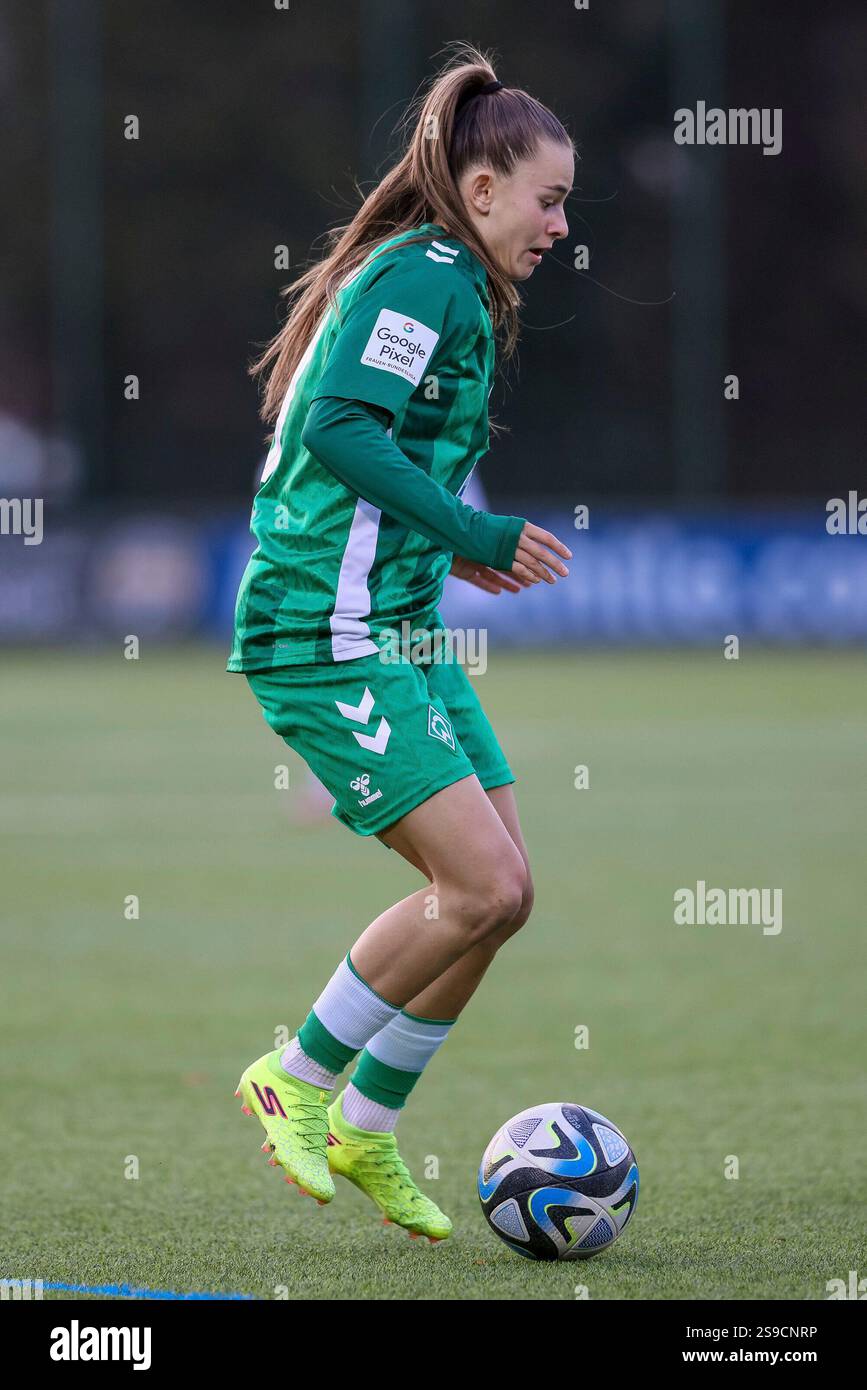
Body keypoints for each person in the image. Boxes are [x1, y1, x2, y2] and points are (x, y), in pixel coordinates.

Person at [229, 43, 574, 1243]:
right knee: (477, 883)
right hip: (320, 628)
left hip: (398, 623)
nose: (560, 223)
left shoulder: (461, 285)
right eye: (548, 197)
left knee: (506, 892)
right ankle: (297, 1080)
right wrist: (476, 522)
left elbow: (394, 465)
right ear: (482, 192)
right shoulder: (428, 270)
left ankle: (369, 1119)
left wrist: (457, 549)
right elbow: (336, 427)